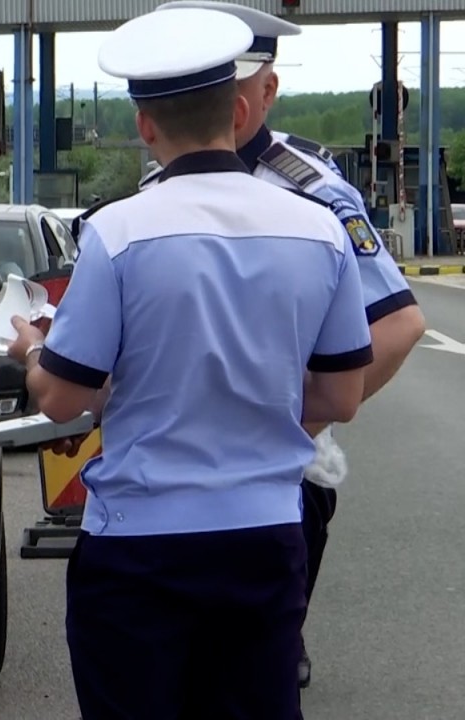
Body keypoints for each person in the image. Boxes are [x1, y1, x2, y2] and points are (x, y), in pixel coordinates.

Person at [5, 8, 372, 718]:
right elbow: (342, 394)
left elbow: (60, 397)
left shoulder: (119, 231)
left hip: (141, 544)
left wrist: (31, 352)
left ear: (145, 125)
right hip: (265, 535)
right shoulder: (318, 229)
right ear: (238, 110)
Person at [150, 0, 427, 688]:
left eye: (227, 83)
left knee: (248, 687)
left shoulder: (312, 194)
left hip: (274, 487)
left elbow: (398, 324)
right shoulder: (158, 183)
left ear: (264, 91)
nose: (207, 100)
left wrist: (292, 417)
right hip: (163, 483)